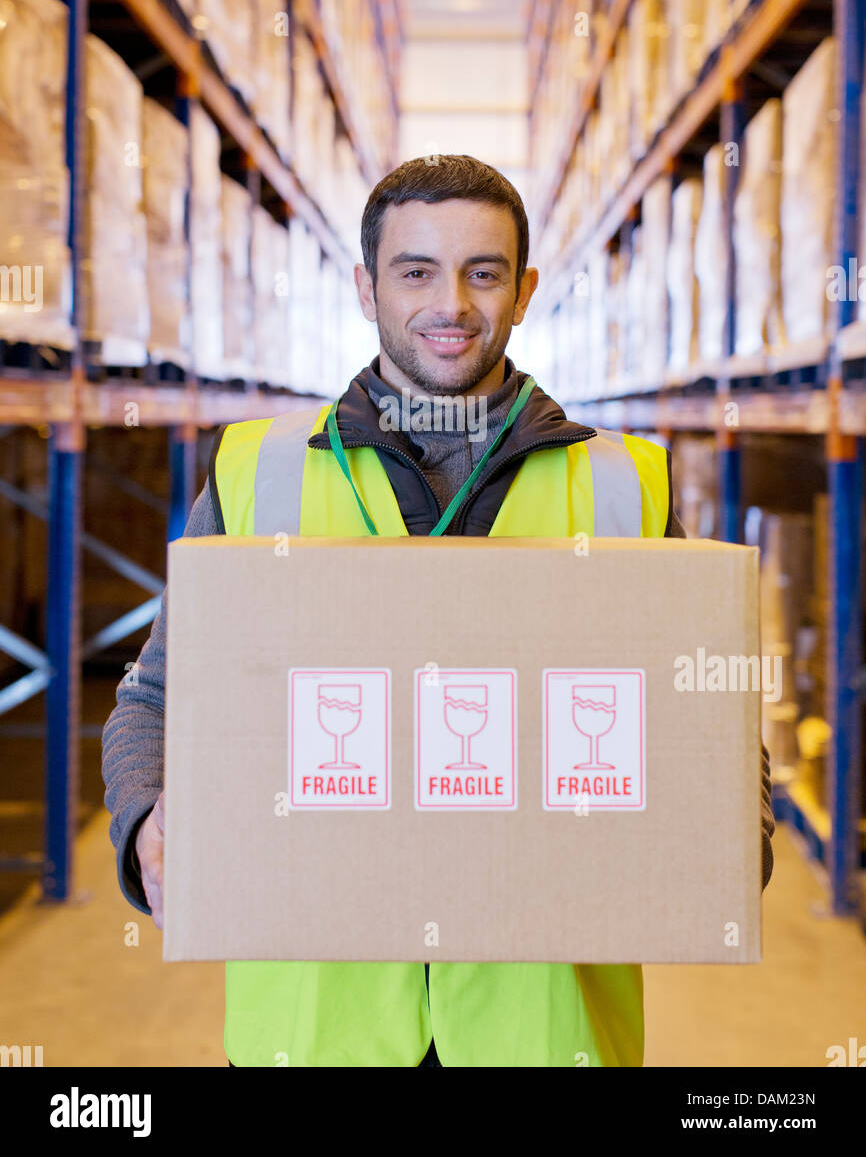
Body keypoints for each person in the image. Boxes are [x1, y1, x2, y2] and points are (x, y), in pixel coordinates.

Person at [102, 153, 775, 1068]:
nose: (450, 304)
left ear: (525, 289)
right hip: (318, 1029)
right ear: (365, 287)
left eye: (483, 272)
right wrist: (145, 819)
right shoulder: (258, 472)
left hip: (543, 1032)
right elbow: (154, 694)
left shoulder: (623, 483)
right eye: (416, 270)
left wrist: (733, 838)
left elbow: (710, 718)